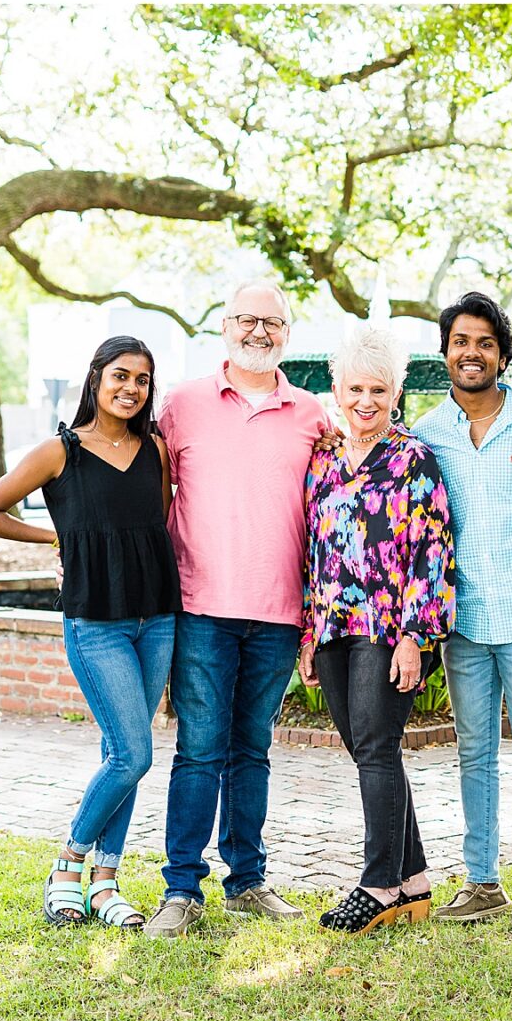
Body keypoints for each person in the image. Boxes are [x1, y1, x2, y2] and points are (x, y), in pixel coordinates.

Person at [0, 336, 181, 929]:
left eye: (141, 379)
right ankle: (68, 865)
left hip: (156, 618)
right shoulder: (59, 452)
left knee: (123, 755)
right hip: (96, 624)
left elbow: (156, 521)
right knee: (134, 753)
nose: (130, 388)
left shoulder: (156, 450)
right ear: (95, 379)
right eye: (119, 375)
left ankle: (105, 885)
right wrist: (57, 540)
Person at [143, 278, 333, 939]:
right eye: (248, 319)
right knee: (198, 749)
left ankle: (247, 879)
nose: (260, 331)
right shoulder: (181, 405)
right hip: (200, 607)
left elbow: (327, 520)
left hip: (279, 613)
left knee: (252, 748)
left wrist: (317, 618)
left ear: (287, 333)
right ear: (224, 325)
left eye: (273, 322)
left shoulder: (313, 414)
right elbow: (148, 496)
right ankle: (181, 888)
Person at [412, 291, 512, 929]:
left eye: (484, 343)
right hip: (462, 618)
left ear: (502, 354)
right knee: (473, 752)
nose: (471, 353)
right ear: (445, 351)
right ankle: (482, 883)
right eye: (460, 342)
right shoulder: (426, 432)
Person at [295, 327, 455, 935]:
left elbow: (432, 550)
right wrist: (310, 631)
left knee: (375, 745)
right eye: (355, 388)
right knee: (370, 747)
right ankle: (413, 881)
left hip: (389, 628)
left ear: (397, 392)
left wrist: (416, 634)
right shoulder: (324, 460)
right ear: (336, 389)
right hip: (333, 624)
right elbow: (314, 547)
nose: (366, 400)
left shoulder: (414, 459)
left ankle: (379, 883)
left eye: (379, 389)